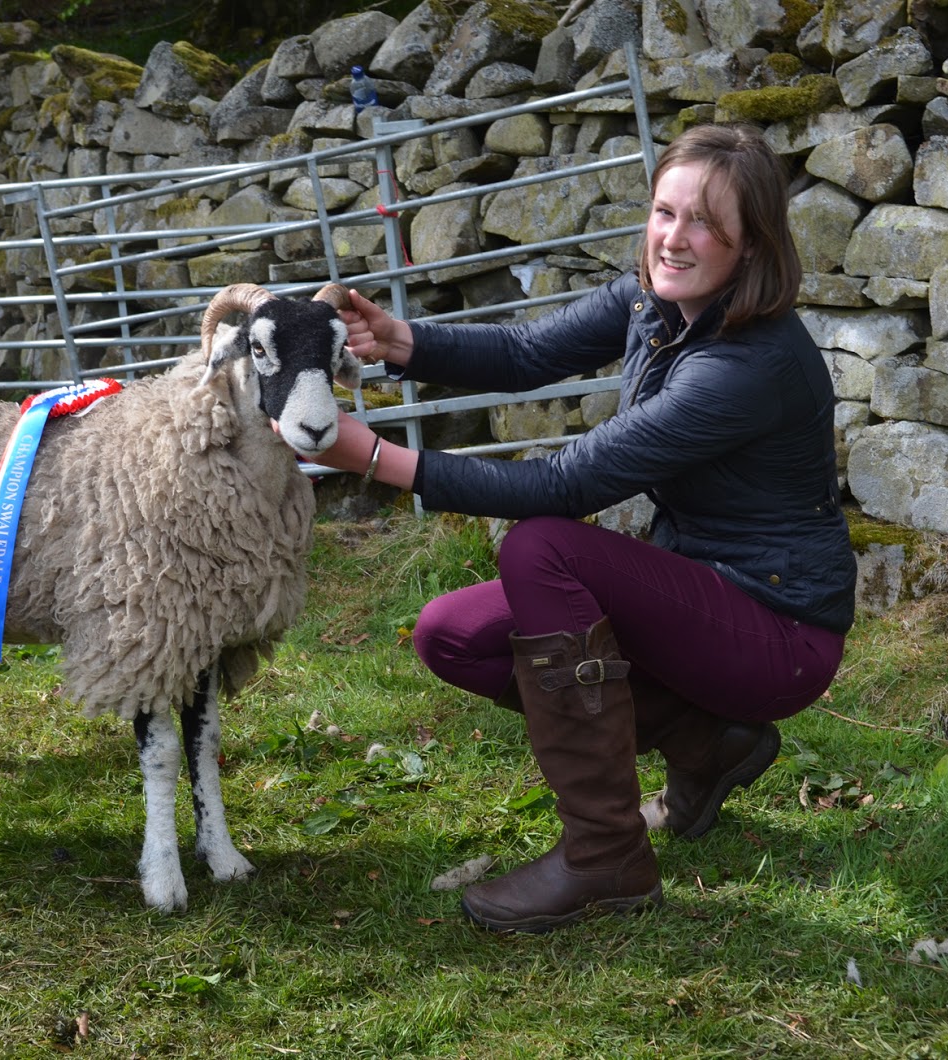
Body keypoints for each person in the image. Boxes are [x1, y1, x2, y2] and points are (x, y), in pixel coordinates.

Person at [298, 122, 856, 934]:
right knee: (450, 634)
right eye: (665, 211)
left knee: (543, 545)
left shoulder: (749, 367)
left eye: (704, 223)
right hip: (704, 598)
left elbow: (564, 485)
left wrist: (371, 457)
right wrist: (400, 342)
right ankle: (707, 743)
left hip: (779, 632)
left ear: (752, 244)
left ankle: (604, 855)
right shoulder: (653, 300)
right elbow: (528, 352)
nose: (673, 237)